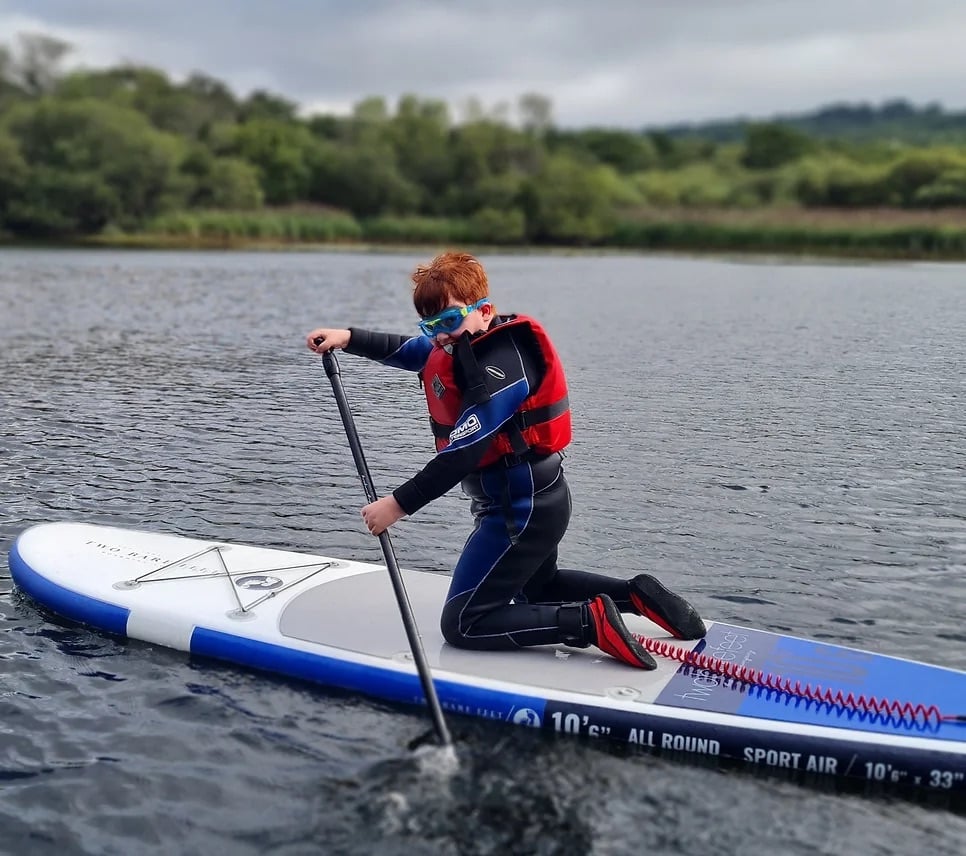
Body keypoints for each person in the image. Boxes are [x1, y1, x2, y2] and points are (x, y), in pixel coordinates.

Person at [306, 251, 705, 669]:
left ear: (484, 311)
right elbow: (410, 350)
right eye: (430, 325)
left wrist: (396, 505)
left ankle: (588, 623)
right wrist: (347, 337)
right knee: (539, 587)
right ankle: (635, 596)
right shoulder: (457, 344)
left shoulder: (503, 364)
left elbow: (464, 452)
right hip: (529, 501)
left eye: (447, 322)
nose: (439, 336)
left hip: (521, 509)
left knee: (463, 623)